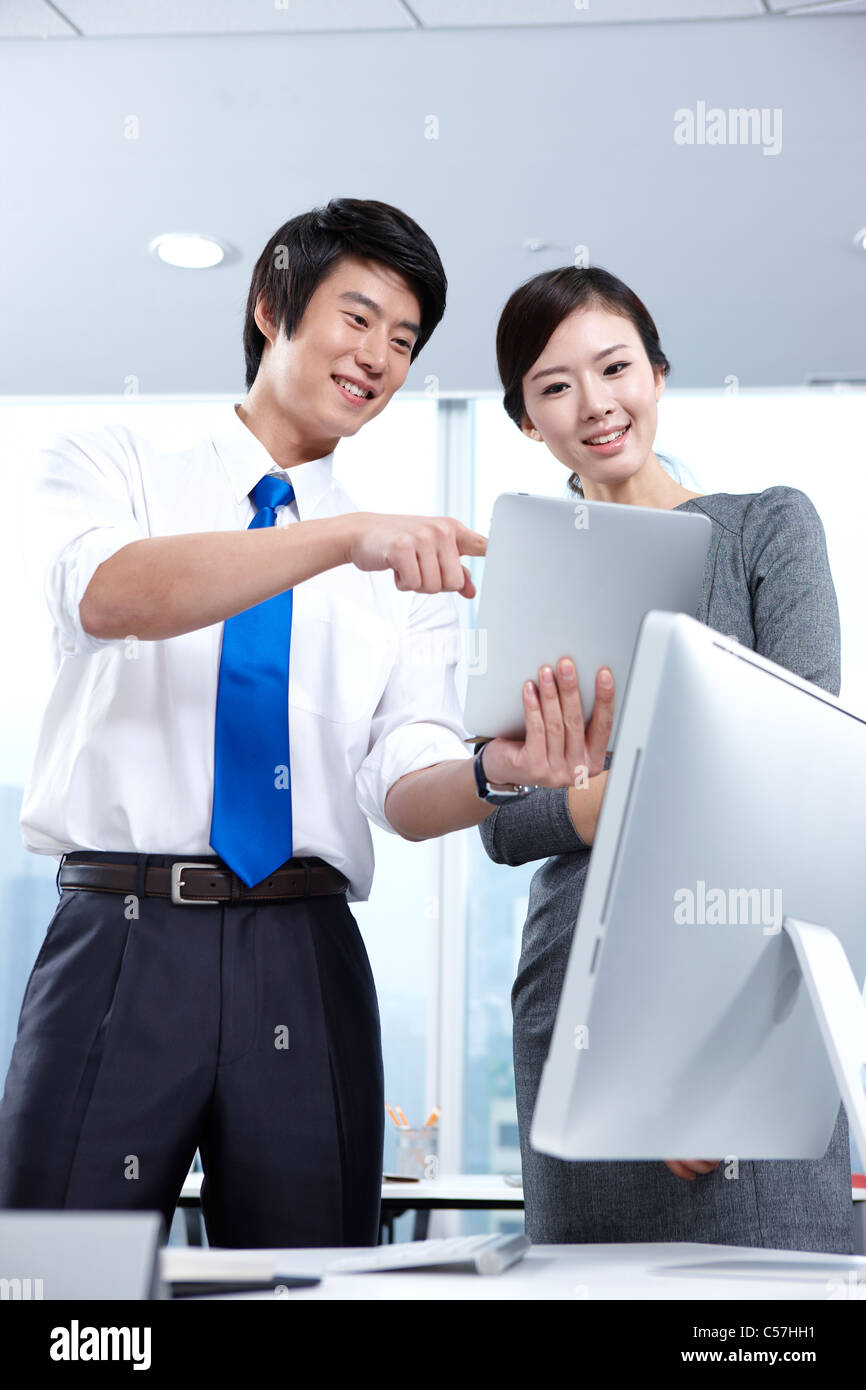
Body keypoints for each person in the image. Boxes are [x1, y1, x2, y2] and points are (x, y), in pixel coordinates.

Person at [0, 198, 611, 1249]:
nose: (379, 357)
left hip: (304, 943)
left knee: (311, 1281)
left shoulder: (403, 559)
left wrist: (498, 767)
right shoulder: (113, 460)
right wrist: (335, 537)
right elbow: (110, 594)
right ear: (270, 303)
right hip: (121, 936)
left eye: (405, 341)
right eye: (358, 317)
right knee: (61, 1279)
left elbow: (406, 784)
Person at [476, 263, 854, 1253]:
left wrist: (710, 1057)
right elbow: (505, 822)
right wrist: (638, 790)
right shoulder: (528, 576)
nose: (593, 404)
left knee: (763, 1317)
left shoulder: (765, 528)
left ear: (657, 372)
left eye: (614, 367)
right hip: (574, 997)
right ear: (524, 418)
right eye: (555, 386)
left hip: (738, 982)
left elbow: (796, 780)